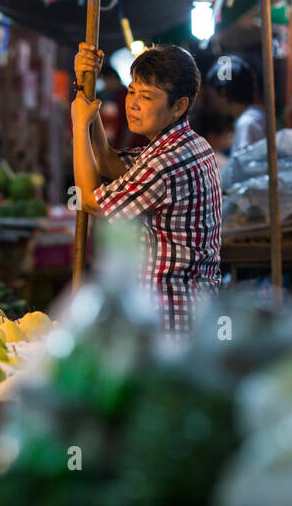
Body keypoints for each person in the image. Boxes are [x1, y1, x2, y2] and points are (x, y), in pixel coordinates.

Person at [71, 43, 222, 333]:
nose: (134, 104)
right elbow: (107, 161)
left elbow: (89, 201)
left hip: (171, 316)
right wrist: (85, 90)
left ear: (179, 106)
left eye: (147, 96)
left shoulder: (168, 160)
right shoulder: (184, 143)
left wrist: (79, 126)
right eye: (131, 92)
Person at [204, 55, 266, 153]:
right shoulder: (257, 115)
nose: (211, 102)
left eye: (211, 96)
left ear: (223, 92)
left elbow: (244, 167)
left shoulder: (247, 123)